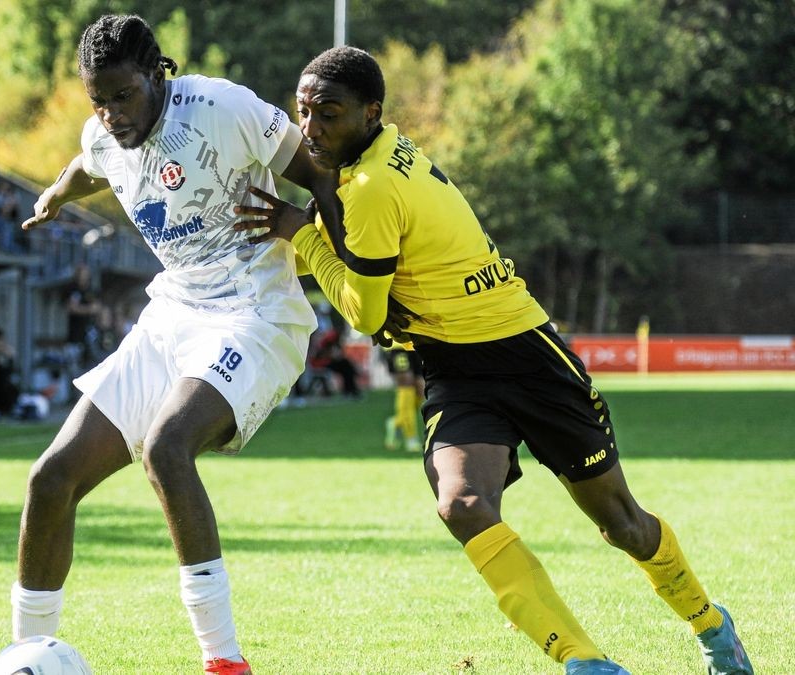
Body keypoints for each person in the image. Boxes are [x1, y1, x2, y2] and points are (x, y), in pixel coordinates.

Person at [233, 46, 753, 675]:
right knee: (460, 503)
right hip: (458, 371)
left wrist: (307, 236)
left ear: (371, 114)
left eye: (329, 114)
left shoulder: (370, 186)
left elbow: (366, 317)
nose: (310, 128)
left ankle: (712, 626)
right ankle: (586, 663)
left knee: (623, 526)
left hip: (529, 356)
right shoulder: (377, 156)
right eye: (304, 111)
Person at [8, 15, 341, 675]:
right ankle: (24, 657)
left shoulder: (224, 108)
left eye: (123, 95)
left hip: (256, 313)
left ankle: (224, 663)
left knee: (166, 445)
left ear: (157, 74)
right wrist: (53, 192)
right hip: (175, 313)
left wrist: (306, 232)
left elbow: (323, 176)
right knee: (50, 479)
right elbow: (88, 165)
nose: (110, 114)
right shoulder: (104, 135)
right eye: (97, 100)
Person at [382, 343, 425, 453]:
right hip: (397, 345)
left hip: (416, 344)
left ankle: (397, 421)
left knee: (420, 389)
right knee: (406, 383)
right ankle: (411, 438)